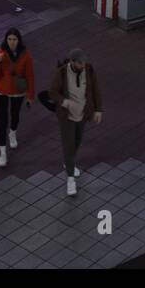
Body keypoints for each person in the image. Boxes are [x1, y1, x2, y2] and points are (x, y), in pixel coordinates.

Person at [47, 48, 103, 197]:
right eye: (79, 63)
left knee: (77, 140)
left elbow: (95, 89)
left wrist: (98, 110)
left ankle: (68, 161)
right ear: (71, 61)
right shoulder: (62, 73)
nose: (82, 65)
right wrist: (64, 102)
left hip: (82, 114)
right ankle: (70, 179)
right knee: (69, 144)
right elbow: (52, 92)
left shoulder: (89, 70)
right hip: (67, 116)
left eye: (84, 62)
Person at [0, 28, 35, 168]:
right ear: (6, 40)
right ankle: (2, 153)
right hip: (2, 90)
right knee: (3, 121)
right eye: (9, 39)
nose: (12, 42)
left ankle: (13, 133)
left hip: (17, 90)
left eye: (14, 39)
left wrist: (30, 95)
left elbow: (30, 75)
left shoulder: (25, 54)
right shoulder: (0, 53)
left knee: (15, 115)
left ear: (19, 40)